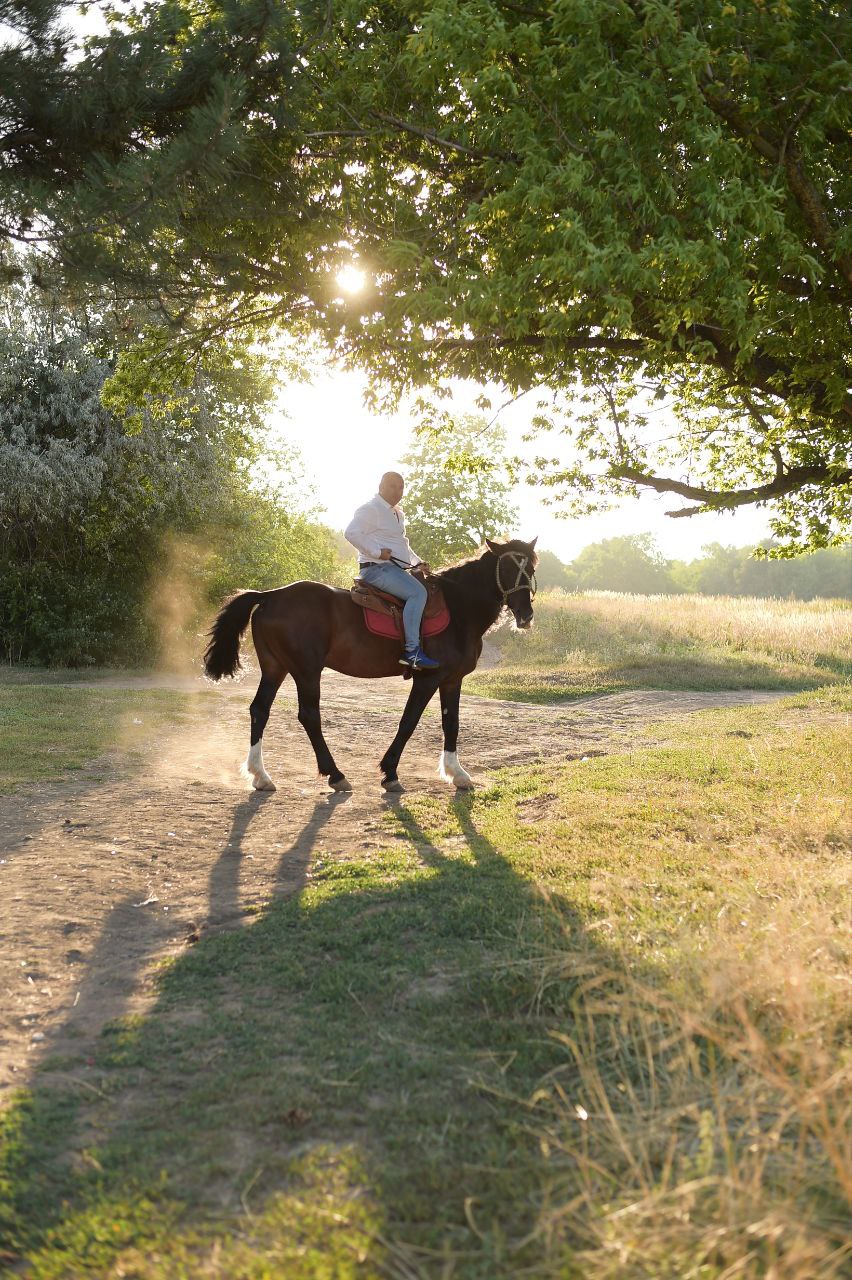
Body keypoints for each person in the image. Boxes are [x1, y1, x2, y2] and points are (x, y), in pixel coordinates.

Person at [344, 471, 440, 670]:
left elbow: (401, 545)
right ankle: (412, 652)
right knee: (417, 593)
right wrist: (377, 552)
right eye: (392, 486)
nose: (397, 491)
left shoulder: (396, 513)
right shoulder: (372, 509)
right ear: (381, 487)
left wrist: (418, 562)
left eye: (401, 487)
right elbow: (351, 533)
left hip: (392, 569)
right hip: (376, 569)